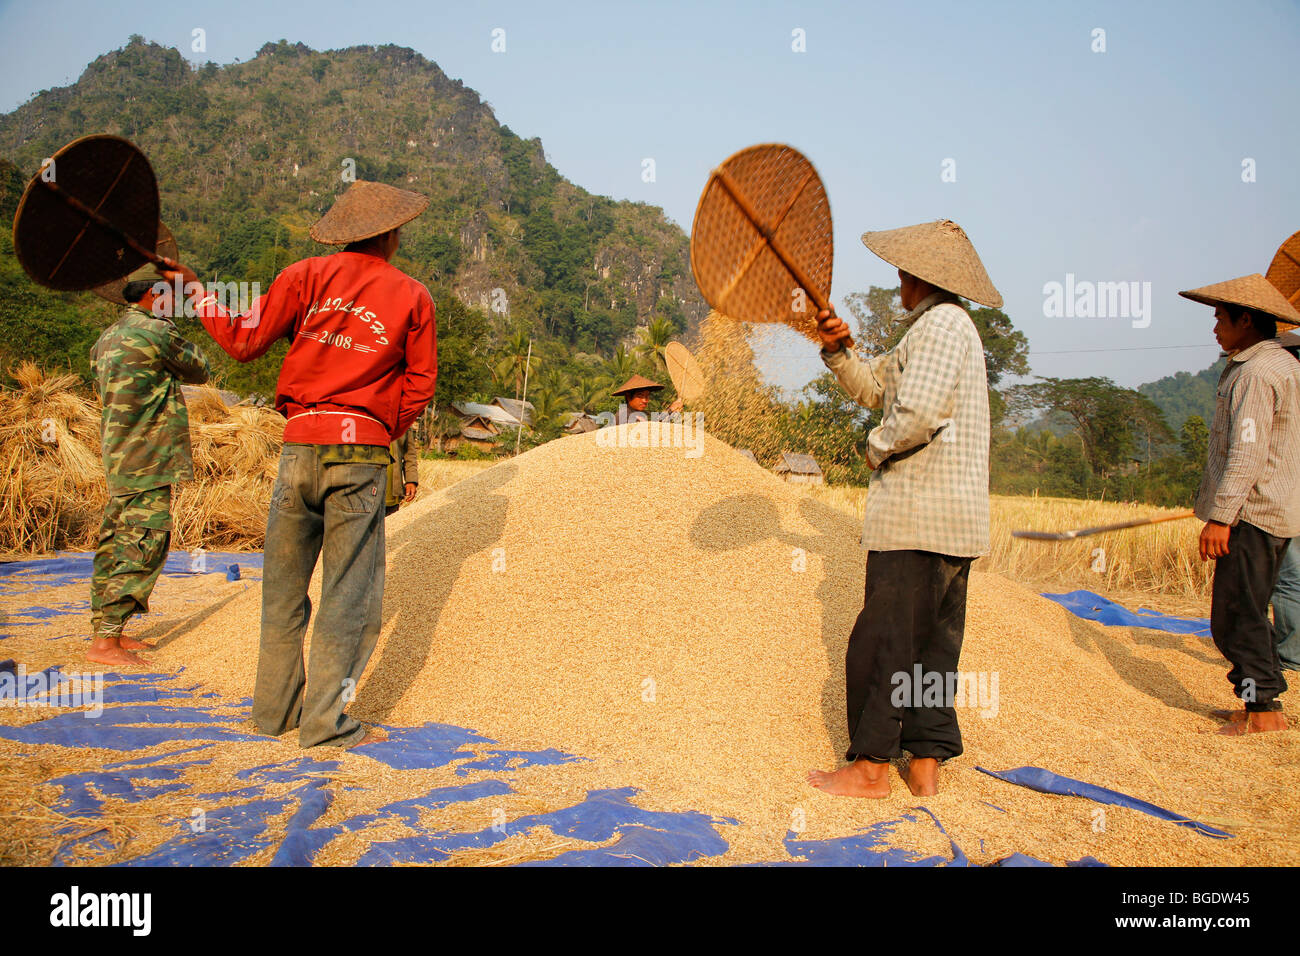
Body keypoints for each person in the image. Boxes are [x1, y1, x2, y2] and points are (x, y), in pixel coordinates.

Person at [164, 180, 437, 748]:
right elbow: (420, 384)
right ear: (387, 234)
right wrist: (384, 429)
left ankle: (273, 715)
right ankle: (325, 724)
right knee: (349, 594)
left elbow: (243, 341)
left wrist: (194, 289)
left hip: (297, 448)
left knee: (284, 591)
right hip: (359, 453)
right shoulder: (413, 295)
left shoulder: (303, 276)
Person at [806, 219, 998, 798]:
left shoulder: (942, 327)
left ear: (921, 277)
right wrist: (840, 350)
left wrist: (875, 447)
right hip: (951, 525)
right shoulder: (937, 331)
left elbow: (912, 416)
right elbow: (874, 388)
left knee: (887, 642)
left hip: (917, 518)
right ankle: (925, 765)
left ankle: (869, 769)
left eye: (902, 272)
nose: (898, 280)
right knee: (934, 649)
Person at [1180, 275, 1300, 734]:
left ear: (1245, 320)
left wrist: (1221, 517)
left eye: (1220, 318)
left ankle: (1263, 712)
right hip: (1278, 511)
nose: (1215, 328)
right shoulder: (1285, 365)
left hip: (1251, 513)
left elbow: (1248, 453)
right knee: (1250, 610)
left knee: (1235, 618)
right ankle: (1260, 702)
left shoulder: (1255, 373)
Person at [88, 263, 211, 667]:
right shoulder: (157, 331)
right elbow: (201, 368)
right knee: (144, 540)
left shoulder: (105, 338)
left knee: (115, 538)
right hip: (149, 456)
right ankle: (105, 644)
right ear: (154, 296)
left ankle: (108, 632)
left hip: (119, 454)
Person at [609, 374, 683, 424]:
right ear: (628, 397)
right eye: (640, 396)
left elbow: (657, 420)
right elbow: (649, 430)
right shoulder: (624, 415)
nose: (645, 400)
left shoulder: (642, 413)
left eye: (647, 396)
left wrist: (671, 410)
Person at [384, 430, 419, 517]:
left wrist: (411, 480)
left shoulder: (402, 419)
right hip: (363, 493)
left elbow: (410, 454)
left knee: (390, 528)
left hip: (391, 493)